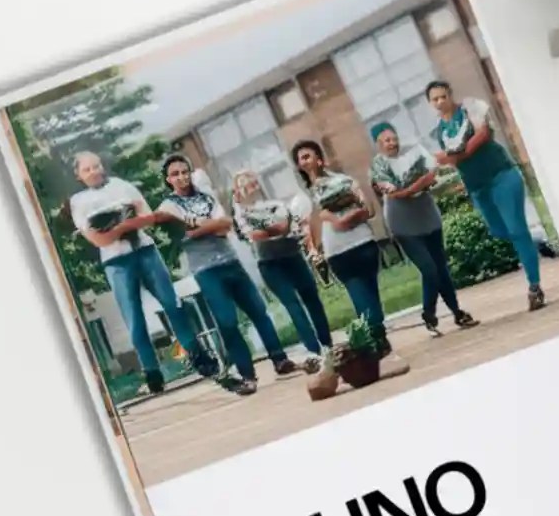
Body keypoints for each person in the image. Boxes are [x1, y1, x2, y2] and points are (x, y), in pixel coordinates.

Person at [68, 151, 218, 395]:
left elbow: (148, 217)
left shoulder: (121, 186)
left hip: (145, 251)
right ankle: (152, 373)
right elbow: (97, 239)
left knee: (173, 304)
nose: (94, 172)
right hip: (116, 262)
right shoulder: (79, 201)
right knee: (134, 320)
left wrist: (119, 226)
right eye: (87, 169)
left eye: (96, 166)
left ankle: (199, 358)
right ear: (79, 175)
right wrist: (123, 226)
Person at [154, 154, 300, 396]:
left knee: (258, 312)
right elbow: (196, 229)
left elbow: (225, 225)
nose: (181, 177)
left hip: (231, 262)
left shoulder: (207, 198)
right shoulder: (168, 206)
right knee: (227, 323)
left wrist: (197, 229)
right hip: (206, 270)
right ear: (168, 179)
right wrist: (208, 226)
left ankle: (280, 359)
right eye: (175, 174)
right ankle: (247, 375)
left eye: (184, 171)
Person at [425, 80, 545, 311]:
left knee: (517, 230)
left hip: (502, 176)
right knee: (499, 230)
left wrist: (454, 158)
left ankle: (534, 287)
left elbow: (482, 136)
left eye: (443, 96)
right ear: (430, 104)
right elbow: (449, 163)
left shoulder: (471, 108)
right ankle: (535, 243)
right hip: (478, 186)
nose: (440, 102)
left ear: (450, 94)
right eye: (435, 99)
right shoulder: (439, 132)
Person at [368, 122, 479, 338]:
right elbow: (391, 190)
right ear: (378, 144)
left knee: (441, 268)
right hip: (402, 223)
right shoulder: (378, 165)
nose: (392, 143)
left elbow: (431, 172)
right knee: (429, 269)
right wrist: (411, 188)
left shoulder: (414, 150)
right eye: (386, 140)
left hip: (428, 216)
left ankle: (458, 312)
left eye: (393, 138)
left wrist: (412, 187)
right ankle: (429, 313)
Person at [290, 140, 392, 356]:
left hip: (363, 242)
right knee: (360, 296)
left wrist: (348, 218)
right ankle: (376, 337)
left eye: (308, 155)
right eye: (301, 159)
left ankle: (377, 336)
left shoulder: (343, 180)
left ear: (320, 159)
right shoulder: (305, 198)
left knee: (371, 294)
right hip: (337, 251)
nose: (305, 161)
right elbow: (311, 229)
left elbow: (369, 208)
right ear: (299, 166)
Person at [230, 169, 329, 373]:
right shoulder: (242, 215)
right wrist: (269, 227)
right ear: (238, 190)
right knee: (293, 305)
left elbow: (284, 226)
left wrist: (269, 229)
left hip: (293, 257)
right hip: (270, 264)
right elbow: (254, 235)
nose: (250, 186)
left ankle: (327, 345)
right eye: (243, 183)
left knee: (312, 299)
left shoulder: (275, 205)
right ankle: (314, 351)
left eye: (252, 181)